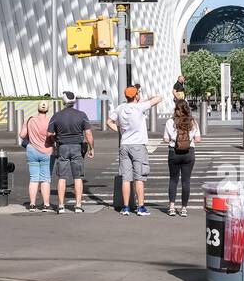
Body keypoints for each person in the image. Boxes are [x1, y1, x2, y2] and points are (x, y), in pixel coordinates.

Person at [107, 86, 162, 216]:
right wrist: (143, 99)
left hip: (124, 144)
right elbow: (159, 98)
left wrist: (120, 130)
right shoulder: (139, 107)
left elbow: (109, 121)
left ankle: (125, 207)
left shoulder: (120, 108)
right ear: (136, 95)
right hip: (138, 145)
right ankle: (140, 206)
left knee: (126, 178)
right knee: (139, 177)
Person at [47, 93, 94, 213]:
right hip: (77, 147)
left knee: (62, 177)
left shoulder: (57, 116)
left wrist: (55, 141)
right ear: (74, 102)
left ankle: (61, 206)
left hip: (62, 147)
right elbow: (88, 134)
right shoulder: (82, 115)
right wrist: (91, 148)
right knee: (78, 177)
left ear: (63, 101)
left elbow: (49, 134)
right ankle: (78, 205)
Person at [163, 92, 201, 216]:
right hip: (189, 153)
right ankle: (184, 208)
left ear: (176, 109)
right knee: (186, 181)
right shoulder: (192, 122)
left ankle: (172, 207)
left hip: (174, 152)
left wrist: (175, 138)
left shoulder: (170, 122)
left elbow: (166, 139)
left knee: (173, 180)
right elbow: (198, 139)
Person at [19, 101, 53, 211]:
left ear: (37, 109)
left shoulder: (30, 119)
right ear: (47, 110)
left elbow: (22, 135)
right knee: (45, 179)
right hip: (47, 151)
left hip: (32, 150)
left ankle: (32, 204)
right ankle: (46, 204)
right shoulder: (50, 121)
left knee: (34, 178)